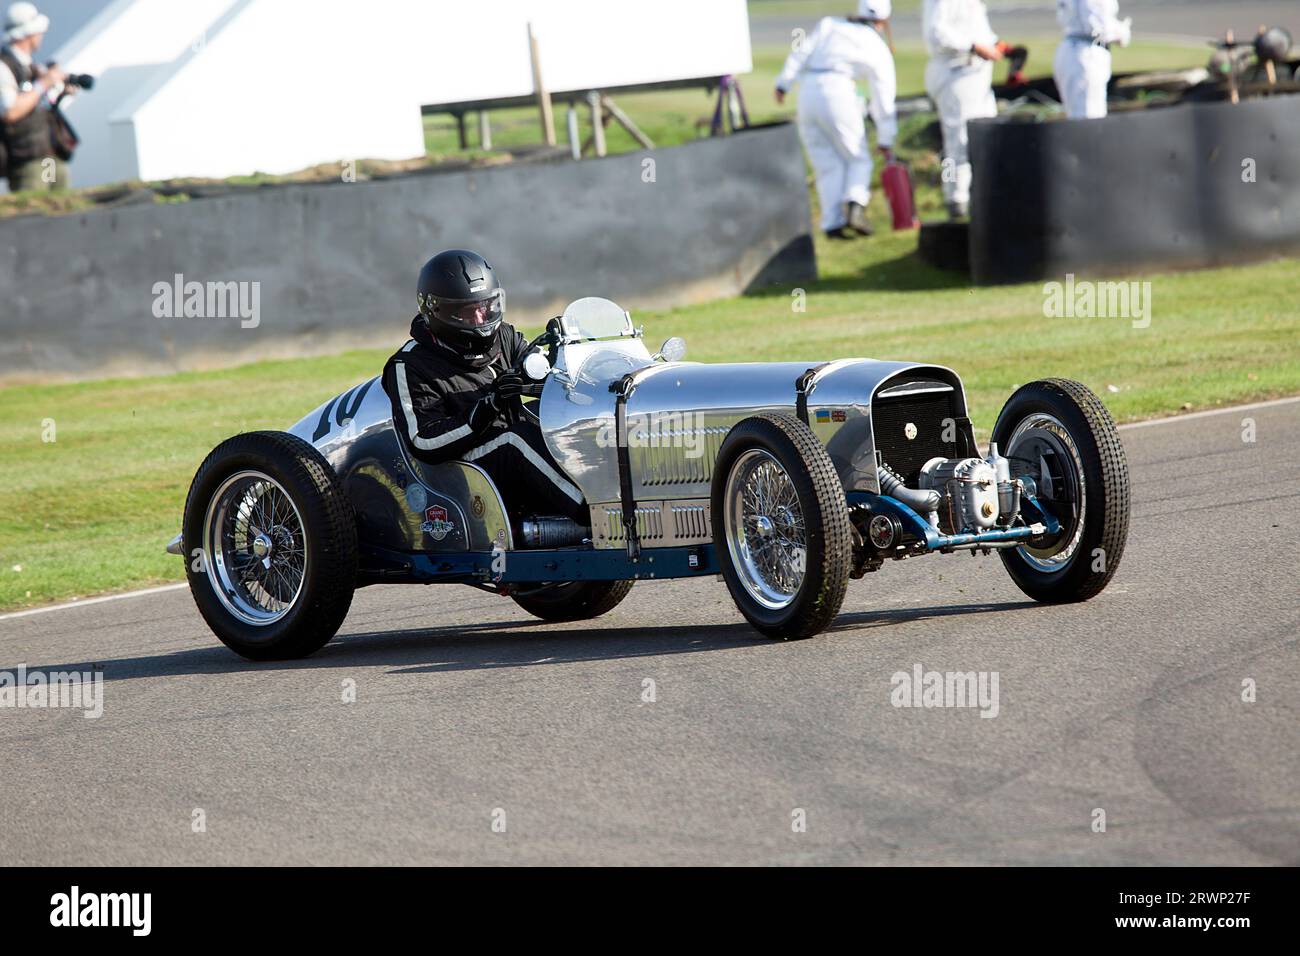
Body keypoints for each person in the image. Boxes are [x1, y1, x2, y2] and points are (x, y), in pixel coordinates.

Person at [381, 249, 588, 532]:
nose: (481, 318)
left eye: (486, 306)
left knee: (562, 418)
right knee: (517, 440)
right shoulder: (410, 364)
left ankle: (629, 495)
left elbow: (541, 371)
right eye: (468, 312)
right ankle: (595, 514)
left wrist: (562, 361)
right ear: (437, 311)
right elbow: (424, 442)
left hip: (507, 451)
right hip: (459, 469)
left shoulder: (504, 336)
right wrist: (489, 406)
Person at [774, 1, 897, 240]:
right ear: (882, 20)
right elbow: (883, 95)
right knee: (858, 158)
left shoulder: (829, 25)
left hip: (807, 92)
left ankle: (832, 224)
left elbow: (800, 52)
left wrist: (783, 83)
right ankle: (855, 205)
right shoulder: (875, 45)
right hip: (839, 92)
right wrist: (886, 136)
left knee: (826, 163)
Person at [922, 0, 1007, 220]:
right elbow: (937, 31)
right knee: (956, 143)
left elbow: (978, 30)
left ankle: (983, 193)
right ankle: (954, 198)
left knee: (985, 136)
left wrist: (999, 45)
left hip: (975, 74)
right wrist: (973, 46)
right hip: (955, 71)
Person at [0, 2, 66, 192]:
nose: (41, 36)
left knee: (59, 207)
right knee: (35, 216)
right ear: (29, 34)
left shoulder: (29, 66)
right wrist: (43, 84)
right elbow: (10, 111)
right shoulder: (4, 66)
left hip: (47, 158)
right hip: (27, 161)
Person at [1053, 0, 1131, 119]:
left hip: (1074, 49)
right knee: (1089, 117)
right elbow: (1097, 25)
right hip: (1085, 52)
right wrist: (1122, 32)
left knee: (1080, 116)